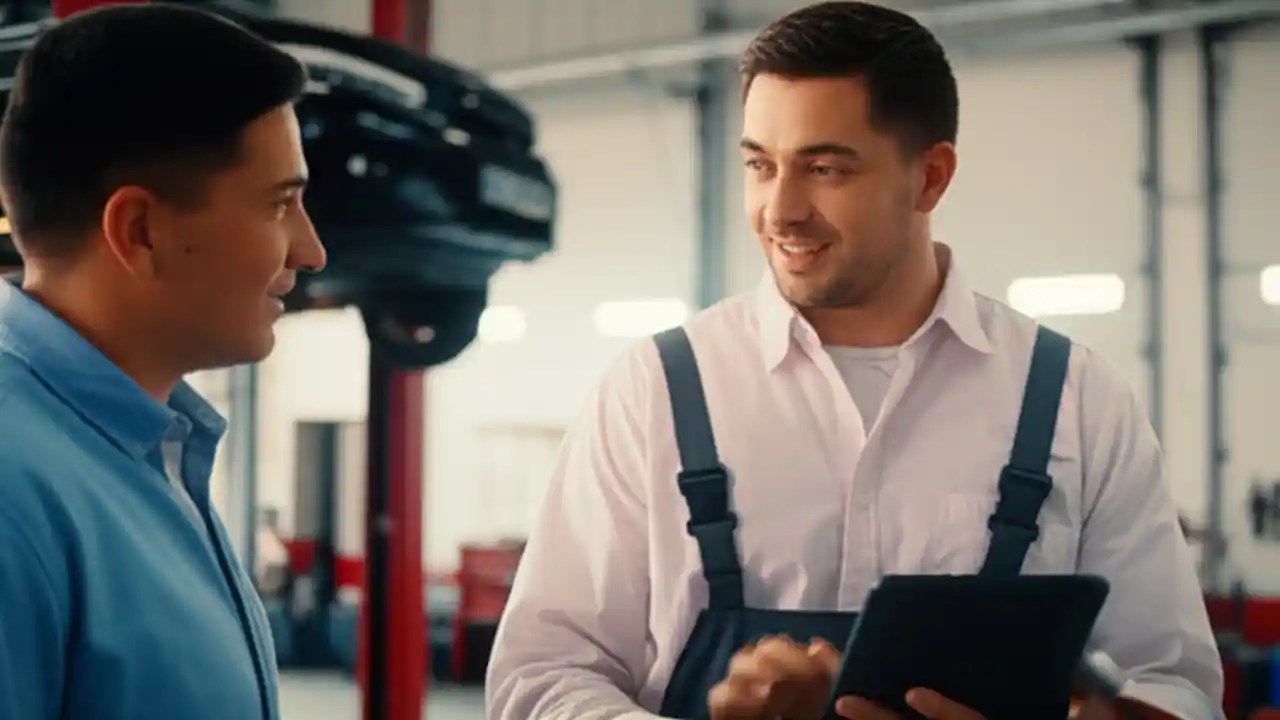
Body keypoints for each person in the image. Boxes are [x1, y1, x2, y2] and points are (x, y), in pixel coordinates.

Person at [485, 2, 1222, 719]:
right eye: (760, 165)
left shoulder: (1075, 401)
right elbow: (542, 675)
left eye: (825, 169)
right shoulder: (654, 393)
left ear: (931, 177)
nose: (781, 209)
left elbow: (1172, 680)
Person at [0, 5, 324, 720]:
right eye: (279, 207)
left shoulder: (153, 451)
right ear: (139, 231)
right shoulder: (15, 491)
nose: (311, 252)